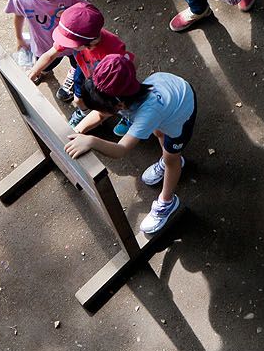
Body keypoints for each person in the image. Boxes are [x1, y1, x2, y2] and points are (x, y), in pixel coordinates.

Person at [65, 53, 195, 236]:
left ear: (118, 106)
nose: (99, 112)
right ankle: (165, 158)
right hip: (167, 95)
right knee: (158, 131)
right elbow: (102, 114)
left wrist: (92, 141)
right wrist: (78, 131)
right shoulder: (123, 95)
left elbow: (121, 150)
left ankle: (167, 202)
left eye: (100, 107)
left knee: (171, 156)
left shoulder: (147, 113)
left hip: (181, 112)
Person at [26, 1, 132, 127]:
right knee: (78, 99)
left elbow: (130, 64)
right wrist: (33, 72)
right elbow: (50, 55)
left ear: (90, 44)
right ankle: (85, 114)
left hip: (110, 81)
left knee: (116, 102)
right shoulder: (76, 36)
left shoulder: (113, 48)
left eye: (70, 44)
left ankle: (128, 117)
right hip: (85, 71)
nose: (65, 45)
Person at [3, 0, 86, 92]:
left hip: (71, 43)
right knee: (46, 64)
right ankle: (42, 71)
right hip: (43, 45)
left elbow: (85, 12)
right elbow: (18, 15)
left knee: (77, 63)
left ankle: (73, 71)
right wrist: (19, 38)